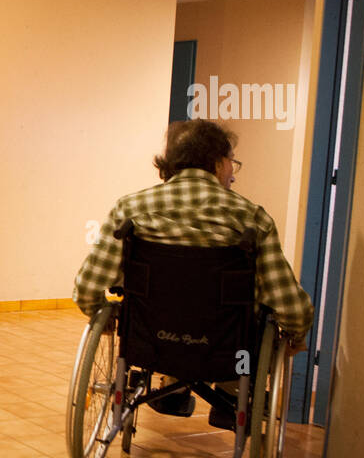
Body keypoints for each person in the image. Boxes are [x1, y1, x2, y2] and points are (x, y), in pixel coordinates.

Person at [72, 120, 313, 428]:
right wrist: (296, 332)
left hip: (149, 345)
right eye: (231, 163)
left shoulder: (130, 209)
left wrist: (99, 313)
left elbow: (89, 284)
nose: (233, 173)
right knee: (250, 316)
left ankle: (173, 386)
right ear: (216, 163)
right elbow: (287, 302)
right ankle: (231, 397)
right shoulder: (252, 219)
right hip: (227, 351)